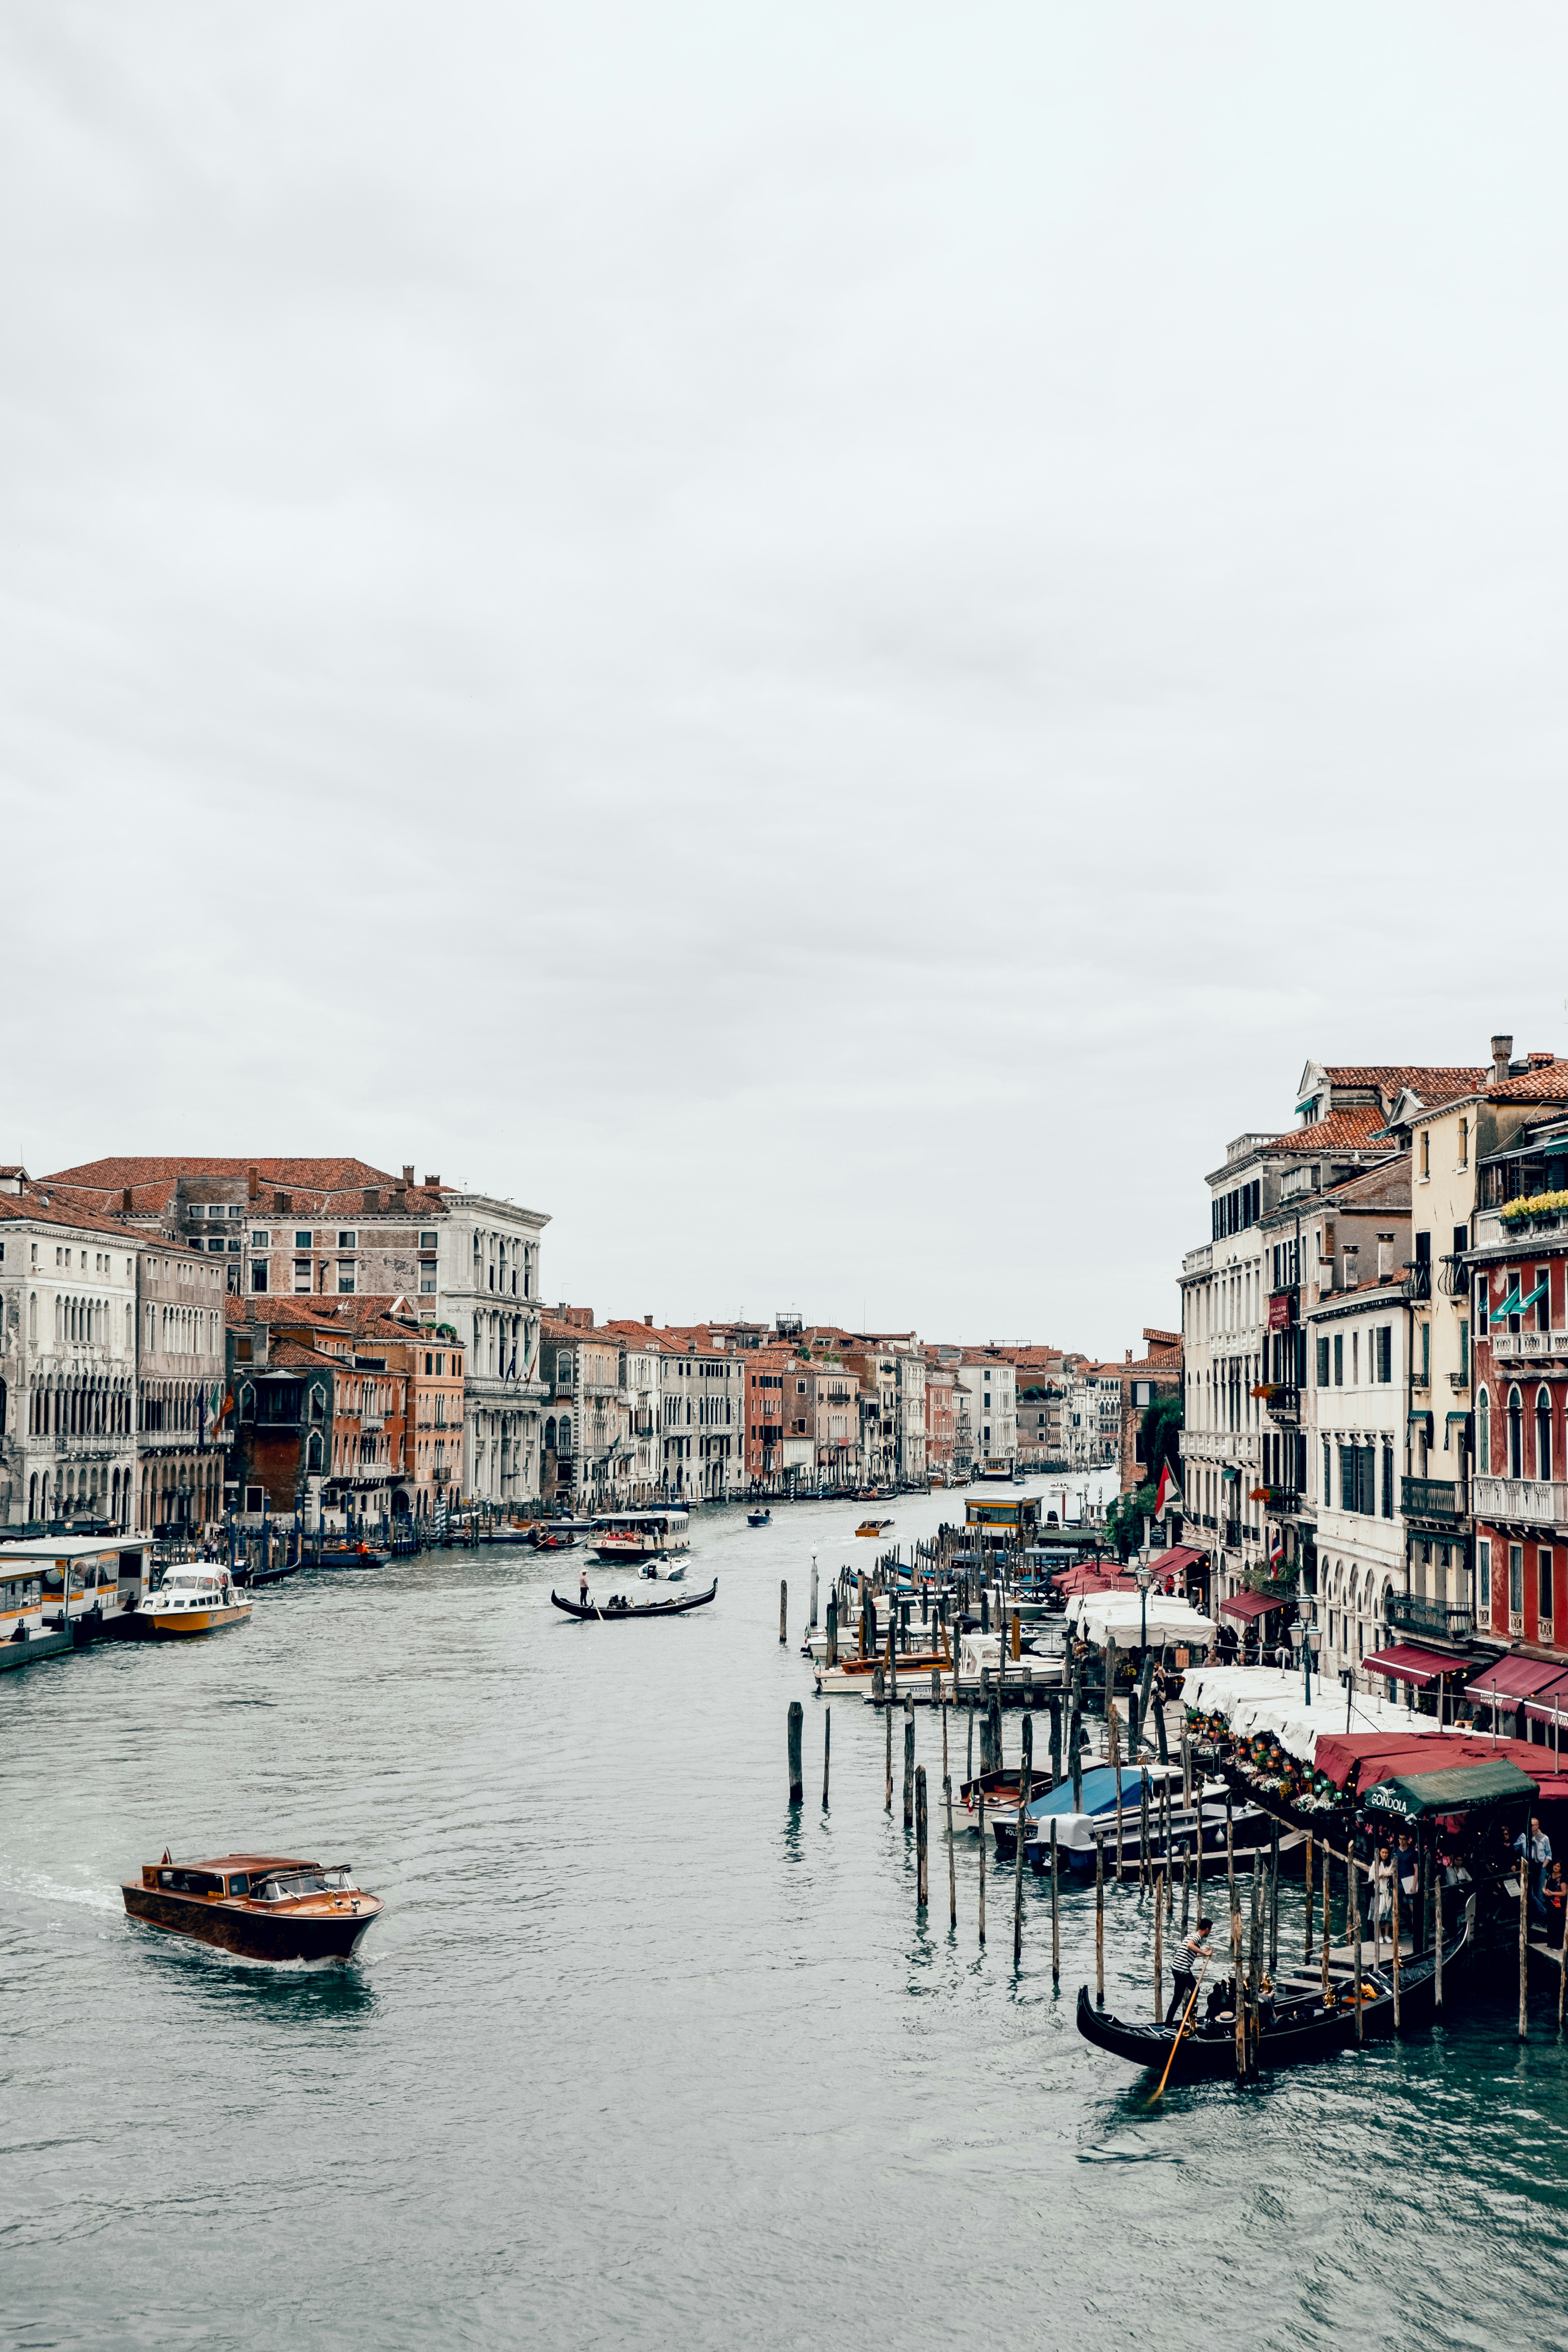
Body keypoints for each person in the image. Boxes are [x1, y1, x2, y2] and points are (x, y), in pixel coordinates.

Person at [1166, 1915, 1214, 2025]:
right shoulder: (1197, 1937)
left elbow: (1191, 1952)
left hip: (1176, 1969)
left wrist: (1202, 1953)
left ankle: (1168, 2023)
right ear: (1207, 1929)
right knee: (1196, 1990)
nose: (1210, 1933)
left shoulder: (1192, 1935)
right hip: (1182, 1970)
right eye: (1210, 1930)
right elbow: (1189, 1946)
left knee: (1177, 1999)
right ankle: (1189, 2014)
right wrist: (1204, 1953)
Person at [1516, 1816, 1553, 1931]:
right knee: (1530, 1894)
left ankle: (1540, 1920)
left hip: (1540, 1866)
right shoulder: (1524, 1837)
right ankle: (1546, 1915)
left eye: (1534, 1825)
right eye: (1531, 1825)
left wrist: (1543, 1866)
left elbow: (1549, 1855)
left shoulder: (1544, 1838)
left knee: (1539, 1895)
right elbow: (1515, 1847)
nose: (1532, 1827)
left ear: (1538, 1826)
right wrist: (1519, 1860)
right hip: (1529, 1866)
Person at [1546, 1861, 1568, 1952]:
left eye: (1558, 1866)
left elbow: (1564, 1892)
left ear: (1561, 1868)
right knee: (1550, 1922)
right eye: (1555, 1865)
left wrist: (1553, 1894)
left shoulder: (1562, 1879)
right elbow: (1544, 1887)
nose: (1556, 1867)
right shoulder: (1549, 1876)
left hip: (1559, 1904)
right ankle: (1550, 1943)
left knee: (1558, 1923)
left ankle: (1558, 1945)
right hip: (1550, 1902)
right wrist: (1545, 1892)